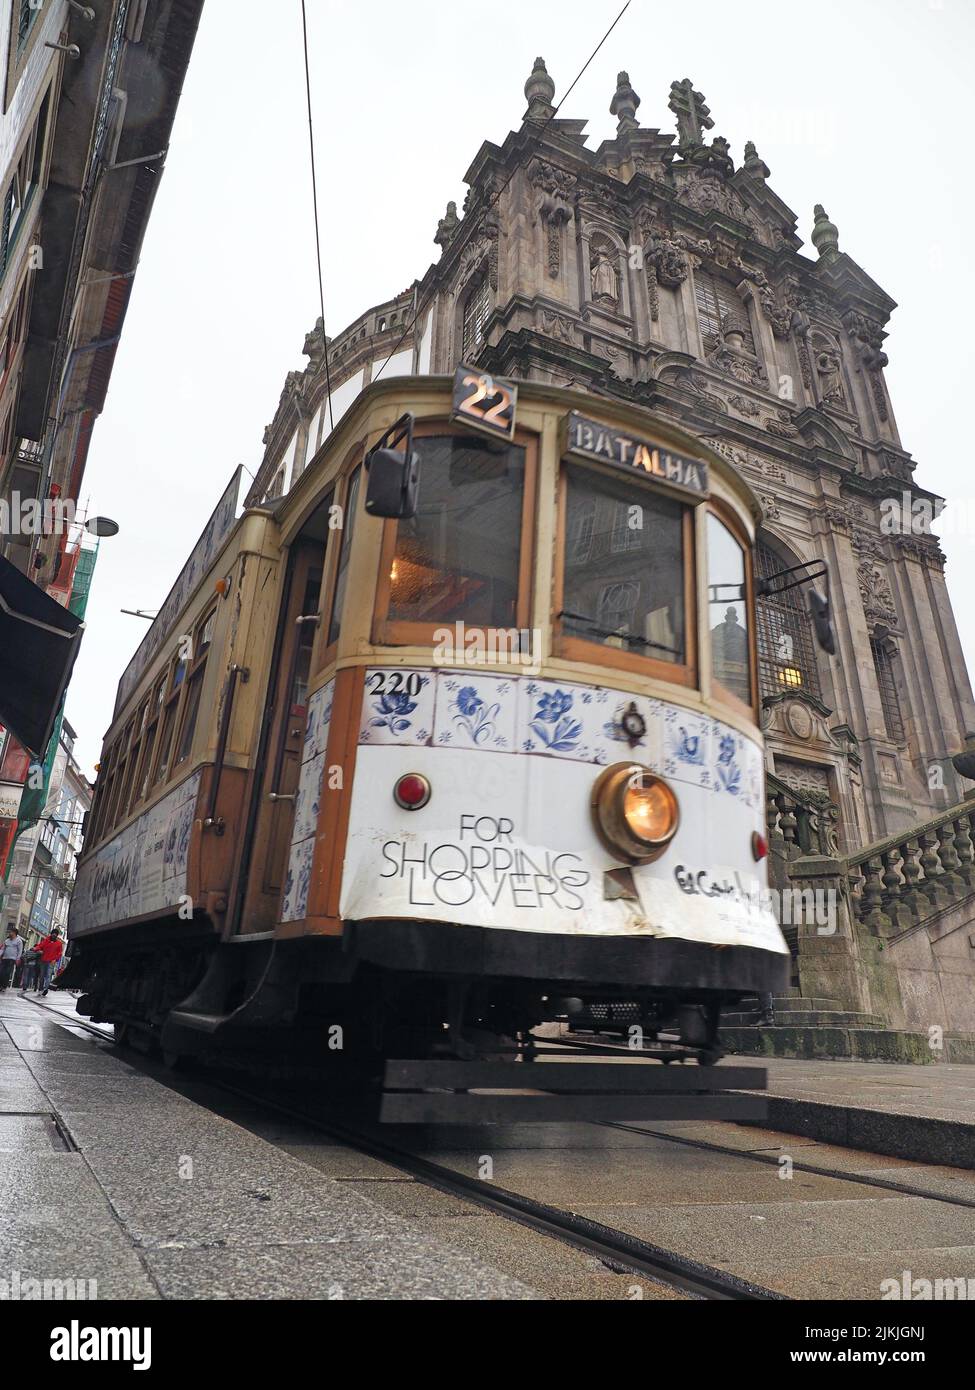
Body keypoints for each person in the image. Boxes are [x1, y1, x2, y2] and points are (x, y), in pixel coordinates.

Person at [35, 927, 65, 995]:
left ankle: (46, 989)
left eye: (55, 934)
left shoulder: (59, 943)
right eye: (53, 933)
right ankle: (40, 988)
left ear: (57, 935)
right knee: (42, 975)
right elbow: (40, 946)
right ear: (51, 934)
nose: (54, 935)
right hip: (44, 960)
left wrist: (55, 959)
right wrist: (35, 949)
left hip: (51, 961)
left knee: (48, 975)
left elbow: (59, 953)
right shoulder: (46, 940)